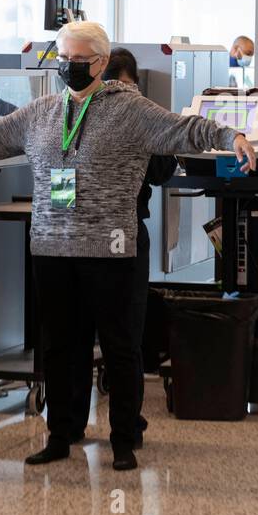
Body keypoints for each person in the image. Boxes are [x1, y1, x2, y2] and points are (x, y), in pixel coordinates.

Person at [0, 21, 256, 471]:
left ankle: (124, 437)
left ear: (101, 63)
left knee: (121, 348)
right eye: (62, 58)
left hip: (111, 251)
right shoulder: (41, 112)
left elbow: (185, 129)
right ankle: (61, 432)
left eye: (78, 61)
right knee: (62, 346)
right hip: (53, 248)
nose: (68, 67)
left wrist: (232, 136)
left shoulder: (130, 111)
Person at [65, 46, 176, 448]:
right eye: (116, 87)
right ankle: (69, 425)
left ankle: (126, 430)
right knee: (74, 338)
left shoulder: (142, 115)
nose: (123, 97)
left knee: (123, 339)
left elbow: (164, 171)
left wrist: (144, 137)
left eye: (128, 88)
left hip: (125, 236)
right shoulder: (73, 115)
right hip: (75, 237)